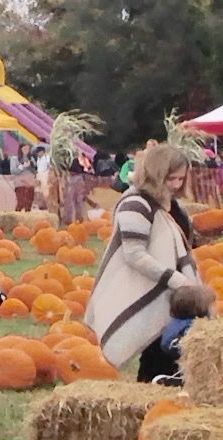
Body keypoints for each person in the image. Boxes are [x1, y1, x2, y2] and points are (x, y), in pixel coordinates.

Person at [86, 143, 197, 377]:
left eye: (181, 179)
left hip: (177, 293)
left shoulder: (174, 205)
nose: (177, 185)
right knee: (157, 355)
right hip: (152, 288)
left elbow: (185, 241)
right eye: (171, 179)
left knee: (176, 356)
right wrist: (175, 278)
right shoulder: (135, 203)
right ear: (156, 174)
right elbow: (134, 253)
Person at [138, 283, 214, 384]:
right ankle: (179, 379)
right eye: (210, 307)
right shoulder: (192, 326)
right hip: (181, 362)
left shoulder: (175, 323)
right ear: (201, 310)